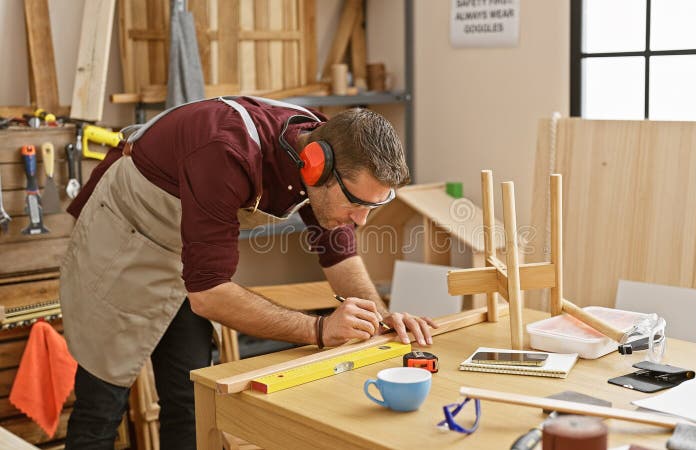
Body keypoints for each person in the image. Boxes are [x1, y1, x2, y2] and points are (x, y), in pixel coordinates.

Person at [60, 96, 436, 449]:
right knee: (103, 402)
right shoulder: (226, 152)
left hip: (187, 257)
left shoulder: (326, 144)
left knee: (190, 396)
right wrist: (318, 329)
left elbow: (339, 254)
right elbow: (208, 295)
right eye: (356, 202)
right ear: (315, 164)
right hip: (126, 243)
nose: (362, 220)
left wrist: (381, 315)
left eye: (374, 206)